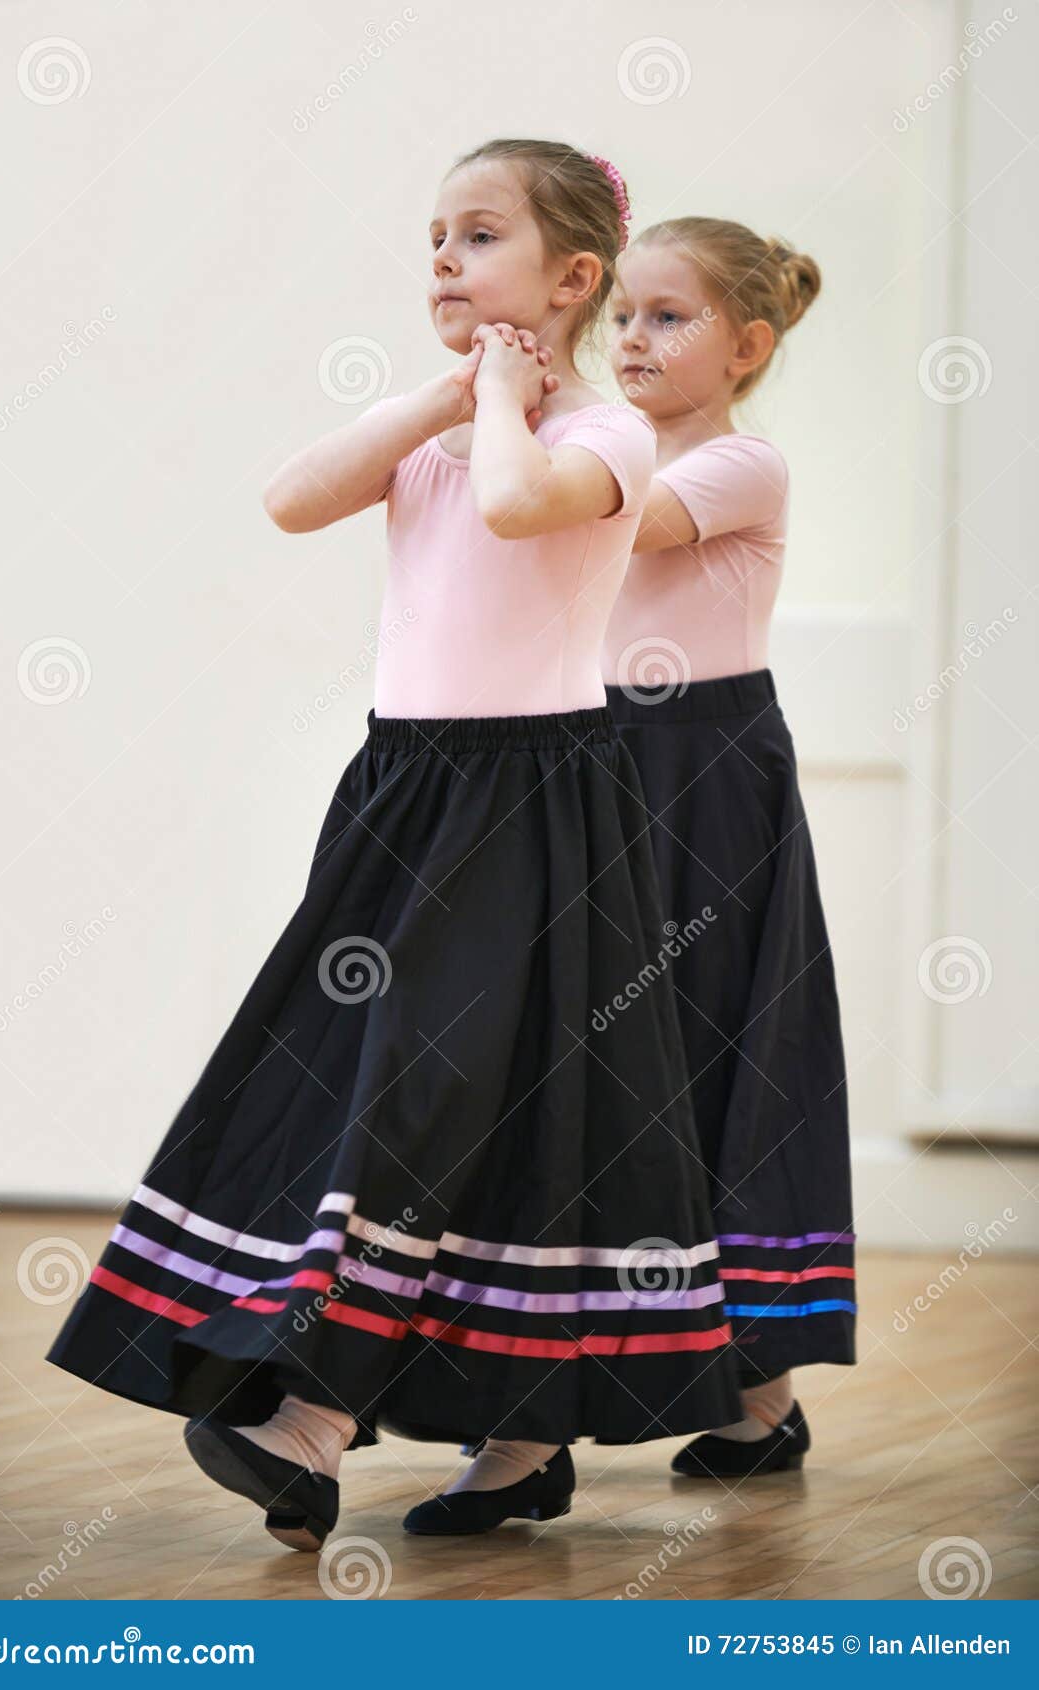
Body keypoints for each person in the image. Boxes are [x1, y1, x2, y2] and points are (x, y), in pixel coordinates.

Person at [45, 145, 743, 1552]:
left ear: (573, 278)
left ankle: (320, 1422)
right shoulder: (438, 424)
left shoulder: (602, 433)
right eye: (433, 234)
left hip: (535, 796)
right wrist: (444, 395)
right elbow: (293, 496)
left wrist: (500, 401)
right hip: (406, 787)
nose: (441, 257)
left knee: (437, 1094)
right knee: (402, 1082)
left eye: (478, 235)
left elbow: (515, 505)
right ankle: (507, 1441)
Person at [601, 216, 857, 1478]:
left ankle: (760, 1395)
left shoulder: (739, 465)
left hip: (704, 772)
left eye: (668, 316)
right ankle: (526, 1393)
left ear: (746, 346)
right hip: (595, 754)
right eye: (621, 316)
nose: (631, 339)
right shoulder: (598, 451)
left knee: (709, 1047)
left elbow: (620, 524)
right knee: (587, 1059)